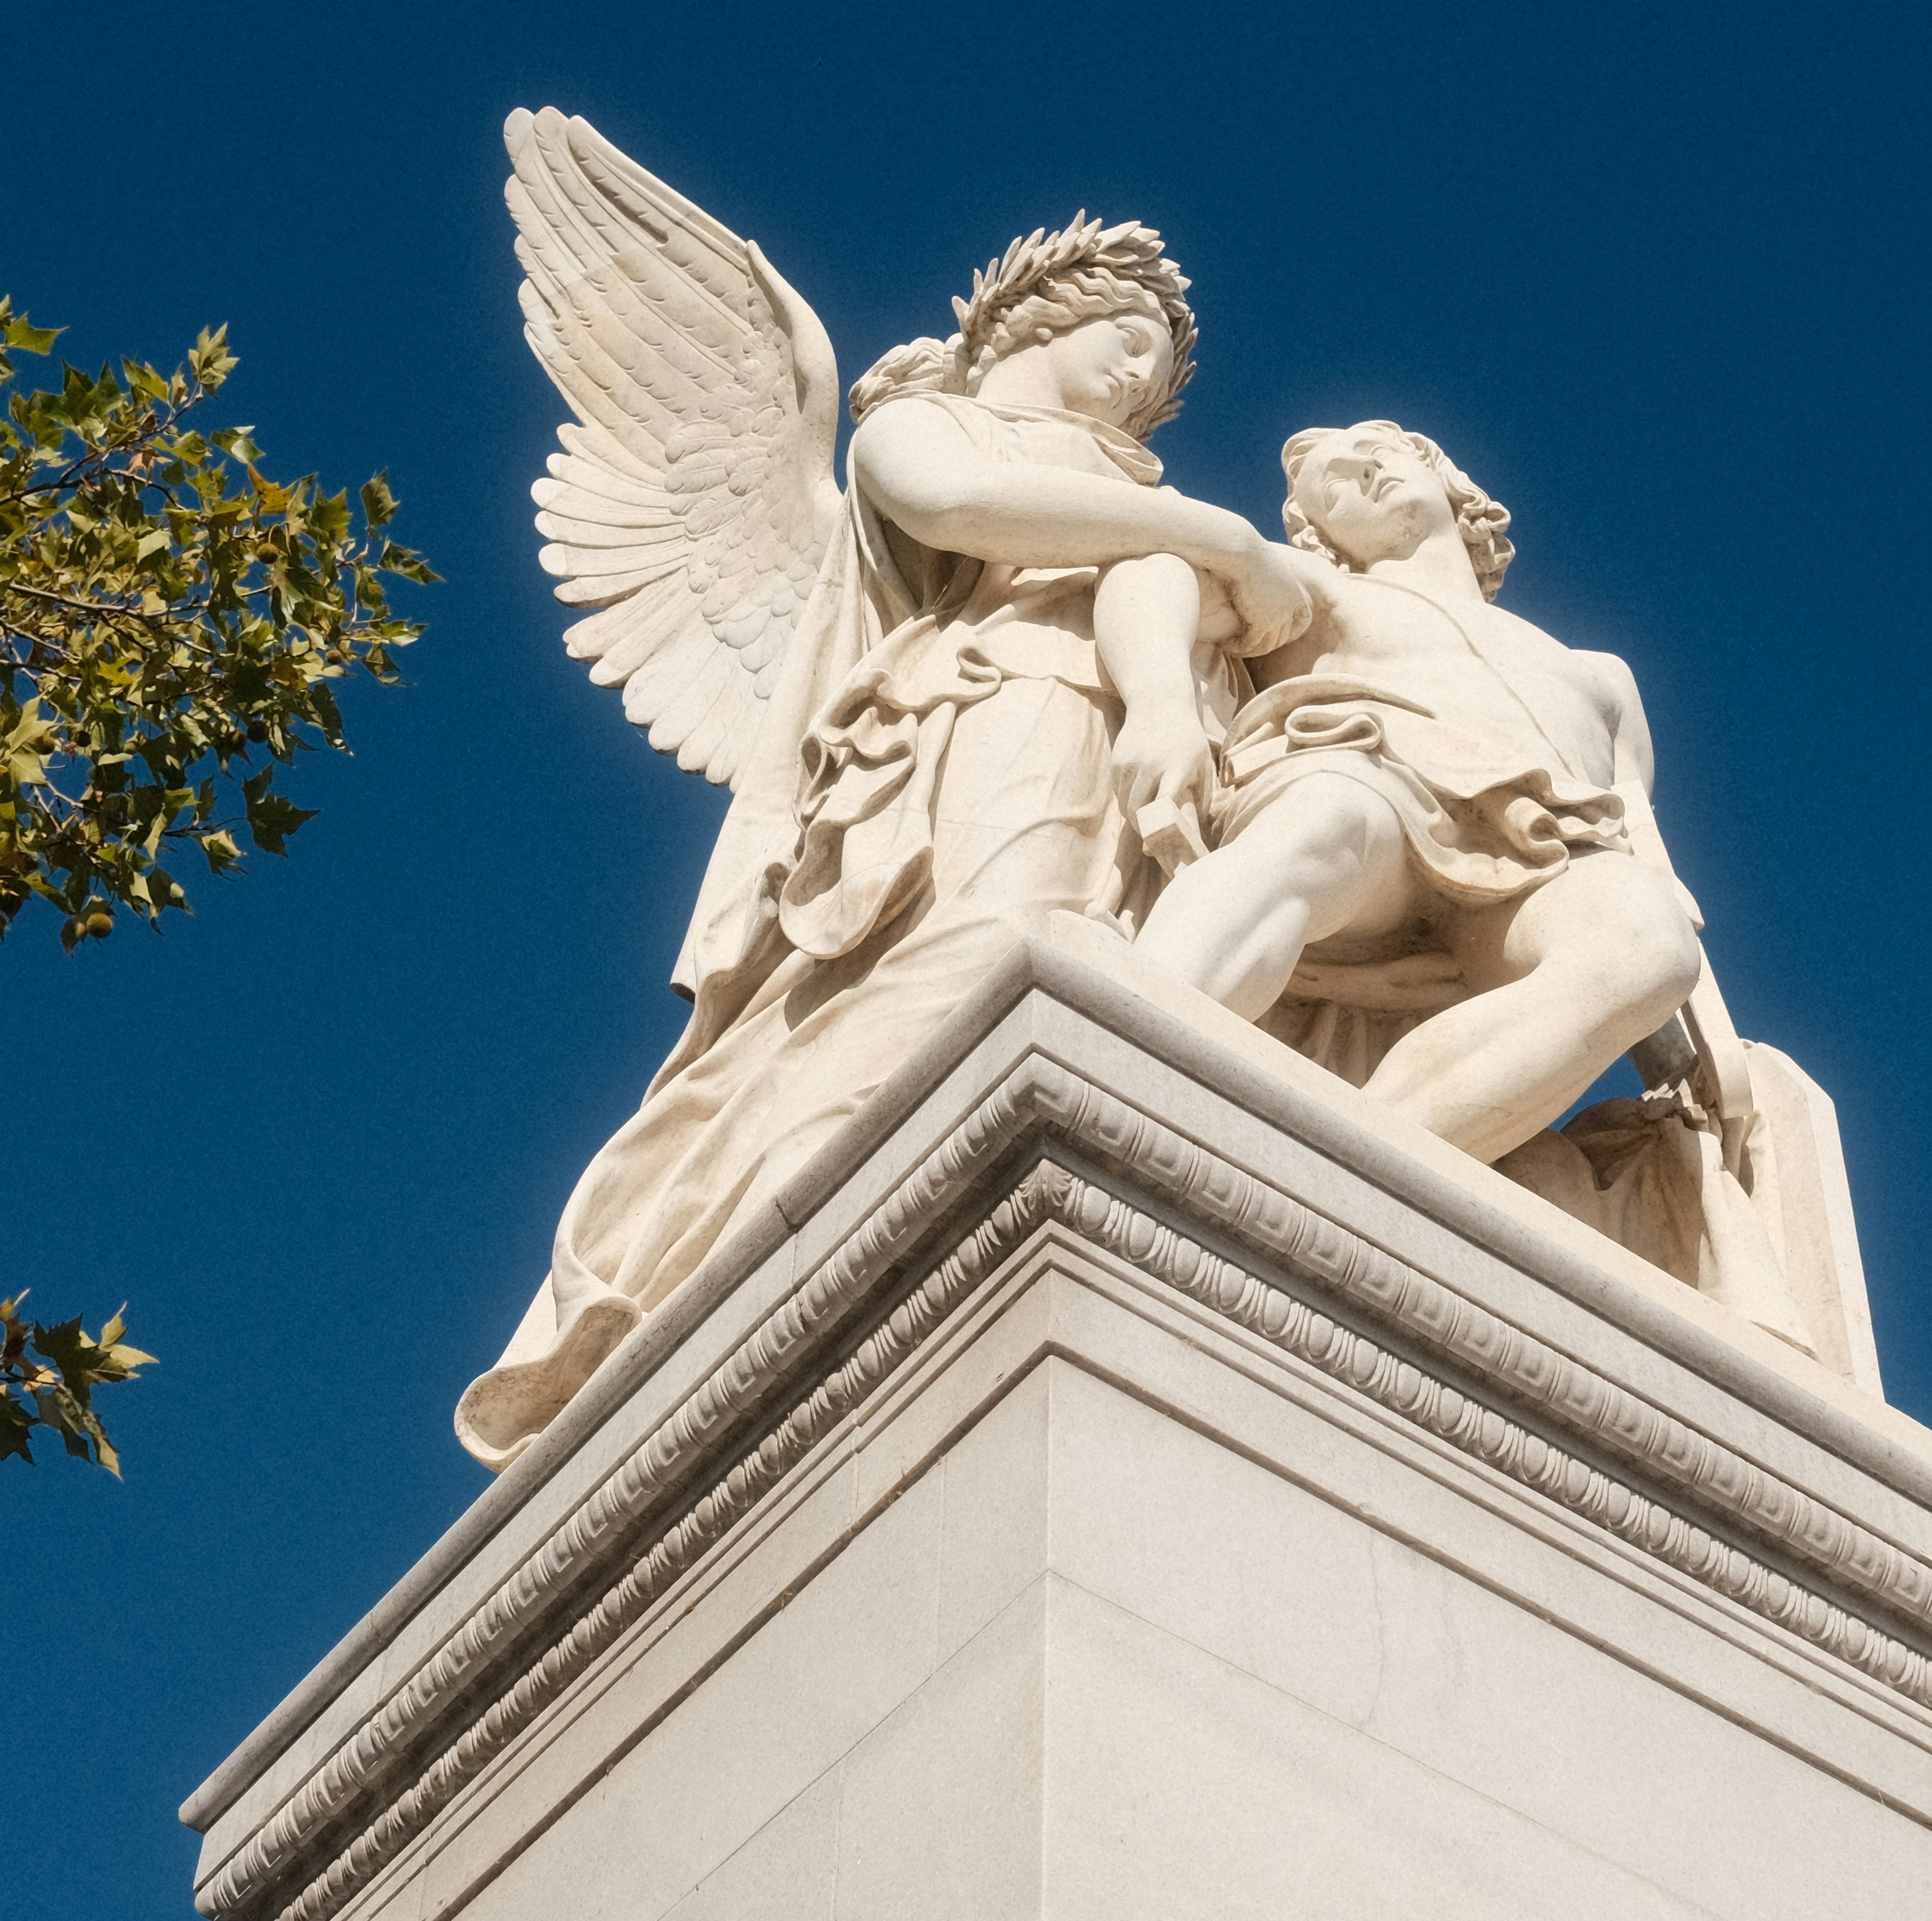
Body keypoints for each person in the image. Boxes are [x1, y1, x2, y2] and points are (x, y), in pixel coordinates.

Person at [455, 218, 1314, 1468]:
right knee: (960, 980)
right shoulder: (937, 430)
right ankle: (782, 1262)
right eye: (1121, 340)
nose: (1140, 377)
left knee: (1103, 986)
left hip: (1151, 760)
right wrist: (1221, 541)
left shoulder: (1141, 508)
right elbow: (956, 506)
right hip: (997, 717)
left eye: (1158, 365)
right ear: (1035, 321)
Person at [1129, 420, 1704, 1165]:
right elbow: (1158, 572)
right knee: (1331, 816)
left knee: (1649, 941)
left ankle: (1352, 1173)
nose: (1366, 472)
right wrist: (1160, 704)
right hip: (1374, 778)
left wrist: (1692, 1055)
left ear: (1450, 480)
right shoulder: (1322, 589)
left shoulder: (1602, 676)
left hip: (1540, 858)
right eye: (1336, 482)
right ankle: (1124, 1033)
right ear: (1322, 535)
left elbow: (1635, 839)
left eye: (1383, 454)